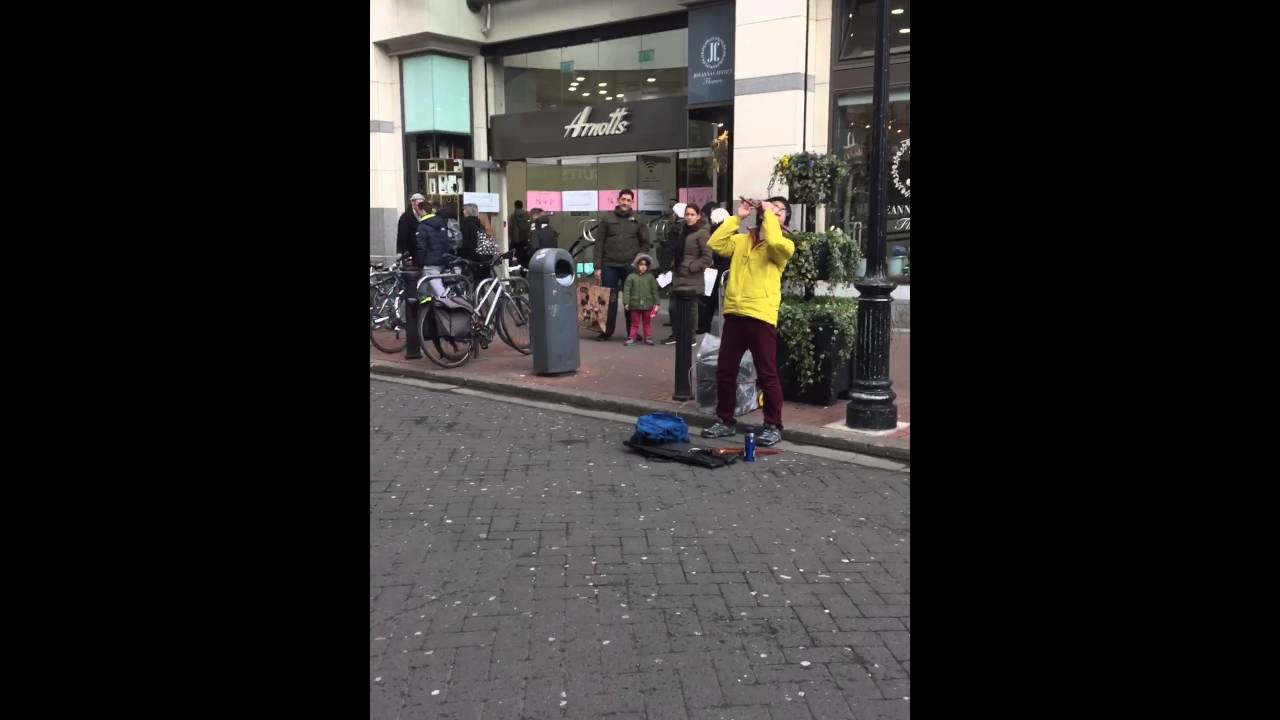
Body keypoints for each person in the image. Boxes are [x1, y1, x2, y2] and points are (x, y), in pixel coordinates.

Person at [700, 196, 795, 447]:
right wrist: (738, 216)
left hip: (761, 316)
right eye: (771, 207)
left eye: (780, 210)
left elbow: (774, 240)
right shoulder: (743, 240)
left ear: (784, 218)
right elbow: (715, 243)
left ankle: (773, 425)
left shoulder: (783, 244)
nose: (774, 212)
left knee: (767, 374)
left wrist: (769, 214)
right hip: (735, 313)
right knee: (725, 370)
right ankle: (725, 421)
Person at [669, 204, 714, 400]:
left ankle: (684, 390)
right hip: (679, 281)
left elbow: (707, 257)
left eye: (692, 214)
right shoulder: (683, 231)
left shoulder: (702, 233)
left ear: (699, 216)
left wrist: (691, 266)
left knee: (688, 317)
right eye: (687, 214)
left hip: (691, 283)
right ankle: (681, 388)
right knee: (674, 312)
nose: (689, 217)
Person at [593, 189, 651, 341]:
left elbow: (646, 243)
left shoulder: (638, 220)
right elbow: (599, 243)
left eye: (628, 200)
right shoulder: (607, 219)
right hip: (609, 265)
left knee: (631, 300)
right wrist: (597, 267)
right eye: (623, 199)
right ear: (618, 200)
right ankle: (606, 331)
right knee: (608, 300)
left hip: (629, 266)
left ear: (632, 202)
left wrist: (638, 260)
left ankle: (631, 332)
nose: (625, 202)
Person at [698, 203, 731, 334]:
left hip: (721, 270)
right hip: (719, 269)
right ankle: (705, 326)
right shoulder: (726, 231)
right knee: (711, 300)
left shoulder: (719, 233)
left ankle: (705, 326)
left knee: (711, 300)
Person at [415, 205, 460, 298]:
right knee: (429, 290)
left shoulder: (422, 226)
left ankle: (449, 307)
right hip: (441, 259)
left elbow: (421, 247)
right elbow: (446, 242)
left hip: (430, 262)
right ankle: (433, 310)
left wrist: (420, 263)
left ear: (423, 211)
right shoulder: (441, 223)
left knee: (438, 290)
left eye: (418, 211)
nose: (417, 214)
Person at [620, 254, 661, 346]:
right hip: (634, 304)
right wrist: (626, 302)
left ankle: (648, 337)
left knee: (647, 322)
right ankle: (632, 337)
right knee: (634, 323)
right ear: (637, 265)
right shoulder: (631, 277)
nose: (643, 267)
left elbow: (654, 291)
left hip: (648, 304)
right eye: (641, 264)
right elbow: (626, 290)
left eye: (645, 265)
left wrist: (657, 303)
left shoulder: (650, 277)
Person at [459, 203, 491, 284]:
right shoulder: (479, 224)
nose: (463, 212)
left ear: (468, 211)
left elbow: (464, 242)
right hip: (481, 257)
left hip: (470, 258)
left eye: (464, 210)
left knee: (467, 281)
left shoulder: (466, 224)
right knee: (479, 281)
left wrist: (459, 253)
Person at [397, 193, 429, 259]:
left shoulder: (424, 214)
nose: (420, 207)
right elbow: (402, 235)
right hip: (410, 251)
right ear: (413, 203)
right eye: (418, 204)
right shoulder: (406, 217)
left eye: (422, 204)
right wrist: (402, 251)